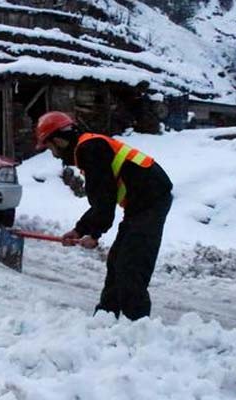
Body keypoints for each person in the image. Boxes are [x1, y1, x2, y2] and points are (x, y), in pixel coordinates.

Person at [35, 111, 173, 321]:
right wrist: (80, 230)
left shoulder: (89, 149)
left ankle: (138, 326)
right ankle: (105, 318)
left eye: (50, 147)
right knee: (117, 261)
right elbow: (102, 199)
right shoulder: (90, 147)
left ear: (59, 140)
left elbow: (104, 201)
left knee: (131, 264)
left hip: (151, 201)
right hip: (140, 204)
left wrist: (94, 234)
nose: (53, 154)